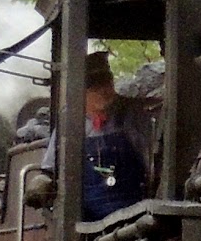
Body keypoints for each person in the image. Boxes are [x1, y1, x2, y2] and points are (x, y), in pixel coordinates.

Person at [29, 51, 148, 221]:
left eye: (106, 82)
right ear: (81, 91)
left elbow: (151, 160)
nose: (103, 91)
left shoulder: (131, 113)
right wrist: (41, 182)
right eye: (95, 87)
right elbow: (50, 167)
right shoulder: (69, 121)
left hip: (134, 211)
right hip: (86, 217)